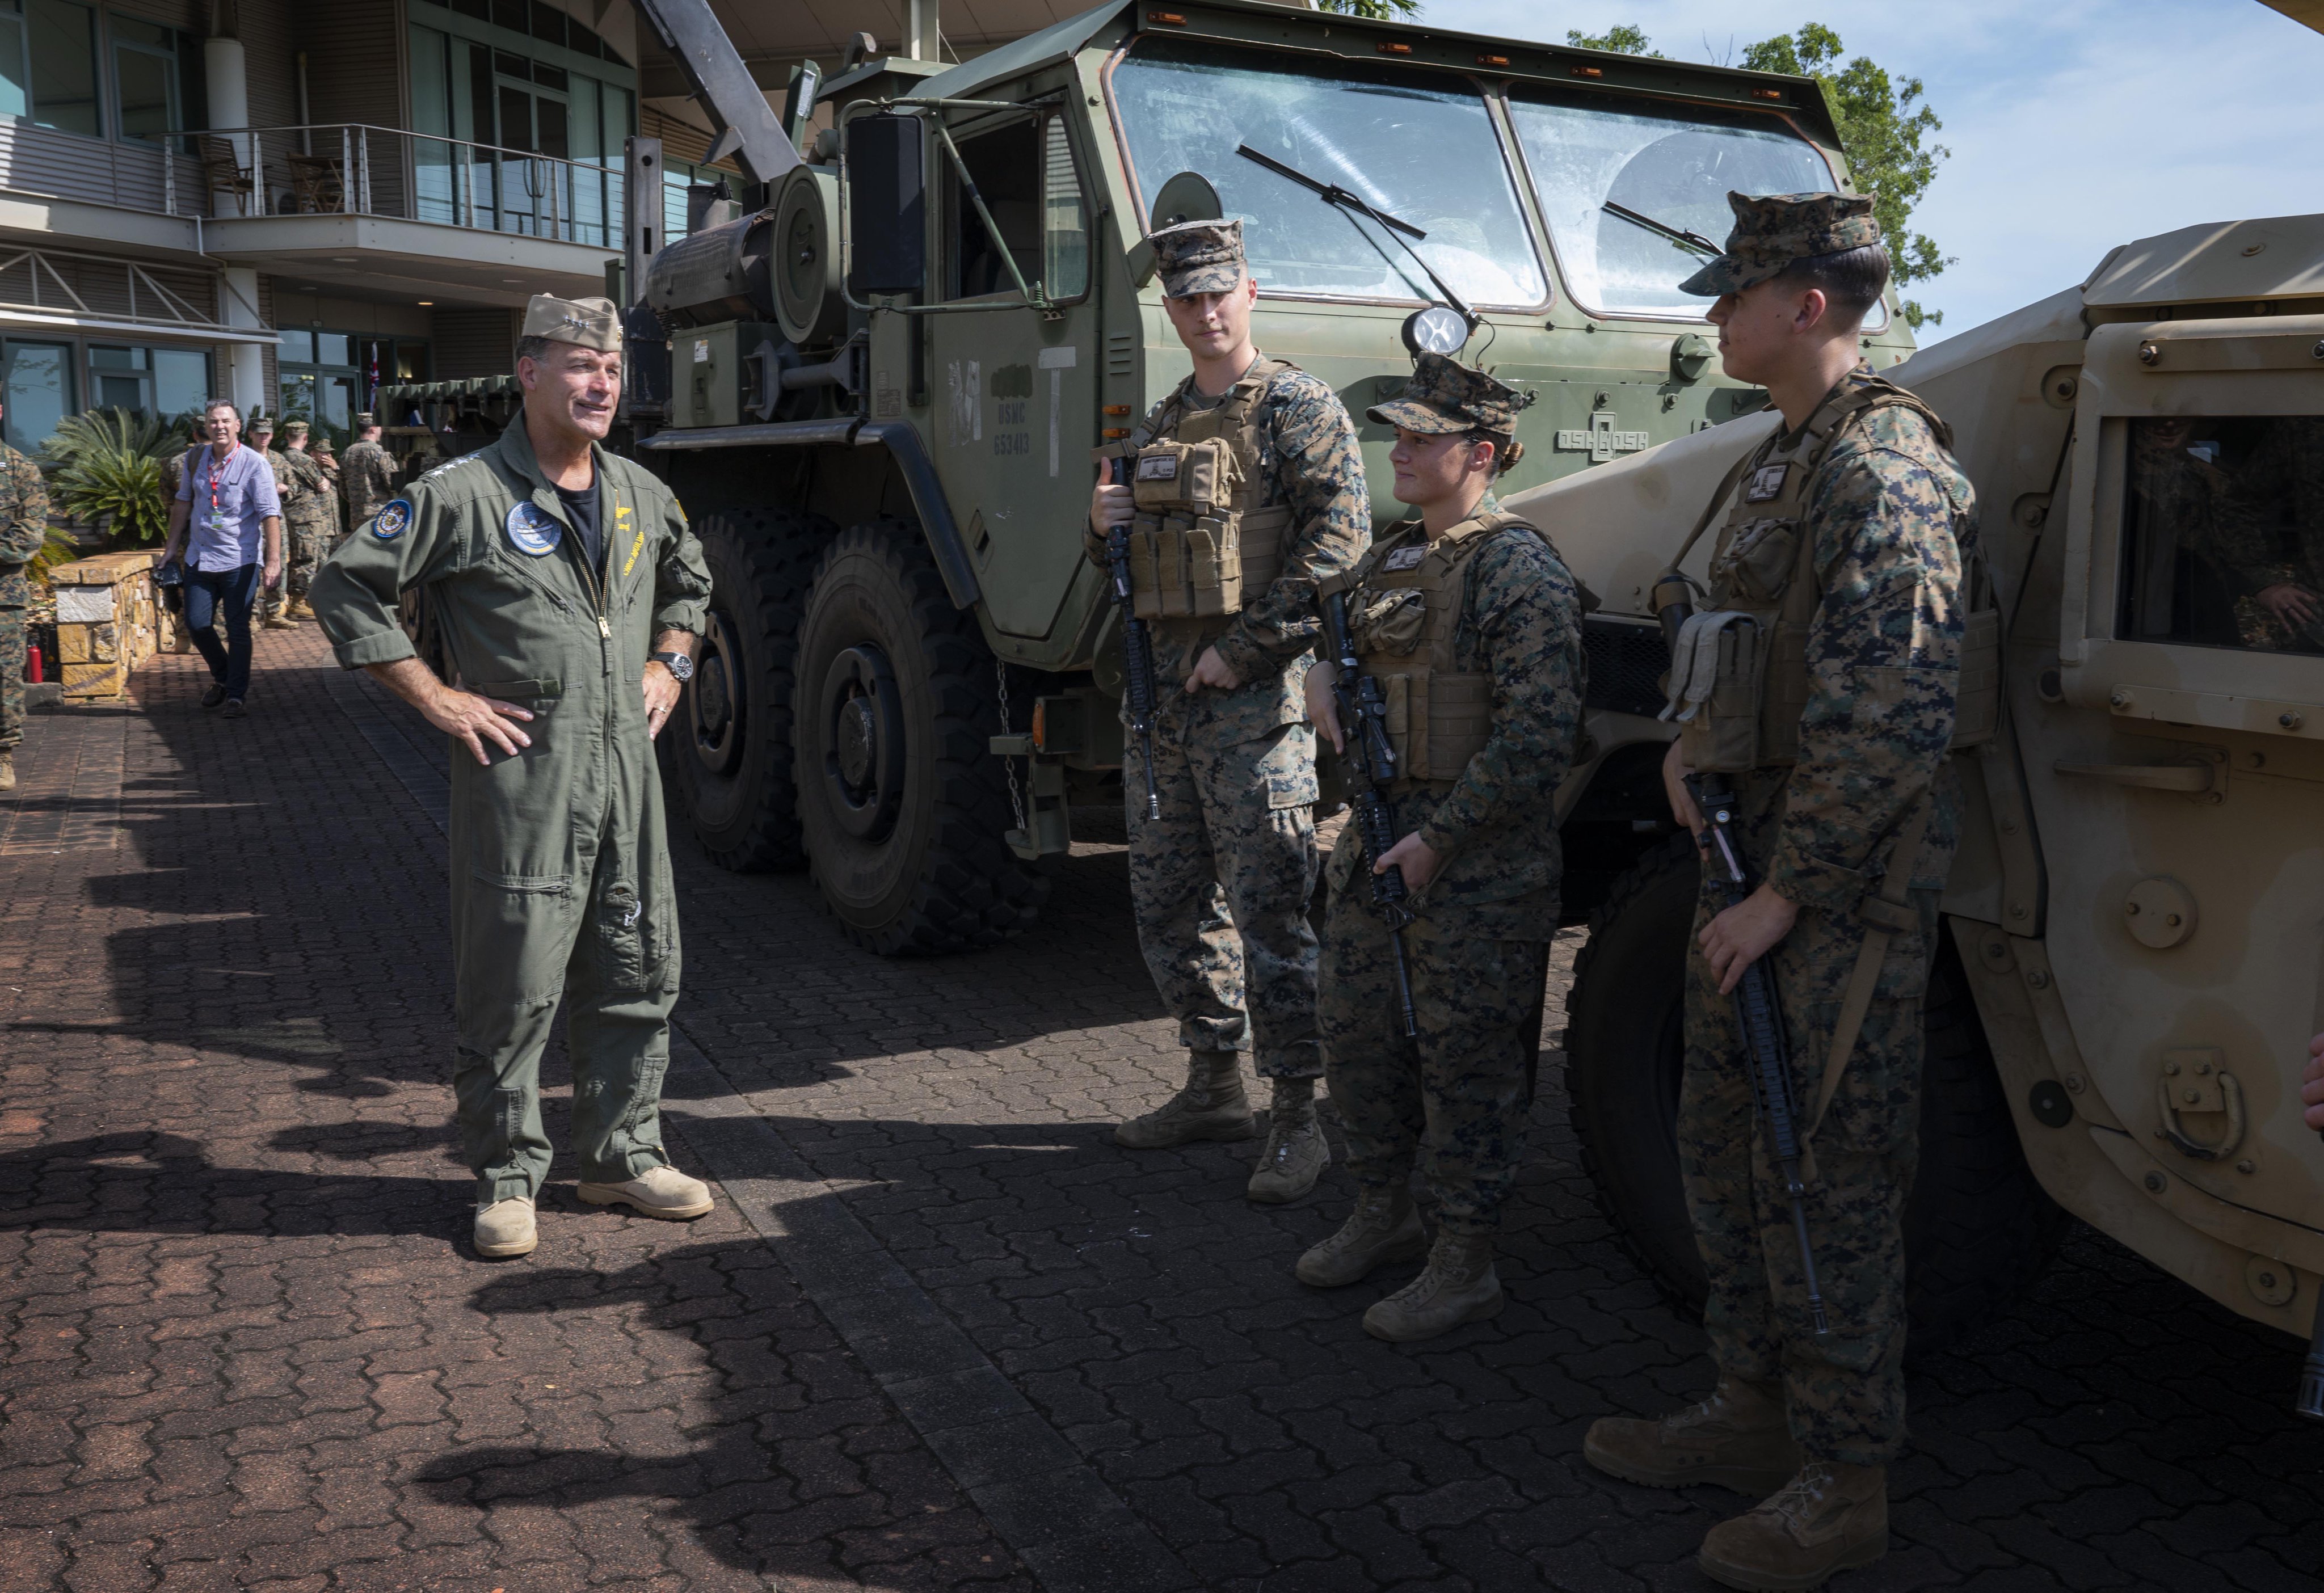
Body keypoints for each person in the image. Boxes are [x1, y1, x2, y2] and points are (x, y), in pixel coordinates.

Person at [1580, 192, 1979, 1593]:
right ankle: (1749, 1414)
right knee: (1730, 1162)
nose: (1715, 315)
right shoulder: (1782, 462)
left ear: (1808, 304)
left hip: (1828, 903)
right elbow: (1741, 646)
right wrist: (1694, 750)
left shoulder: (1884, 468)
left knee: (1826, 1185)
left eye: (1735, 293)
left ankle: (1843, 1482)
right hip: (1743, 869)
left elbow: (1894, 711)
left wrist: (1790, 893)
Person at [310, 293, 715, 1262]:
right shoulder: (462, 494)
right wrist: (435, 697)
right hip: (525, 785)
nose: (601, 383)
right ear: (528, 372)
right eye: (579, 365)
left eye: (610, 369)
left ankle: (621, 1154)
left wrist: (673, 664)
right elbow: (343, 582)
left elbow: (690, 583)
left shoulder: (640, 493)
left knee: (637, 968)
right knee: (515, 983)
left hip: (626, 778)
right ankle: (504, 1174)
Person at [1297, 355, 1584, 1341]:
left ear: (1487, 453)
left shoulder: (1517, 569)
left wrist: (1440, 839)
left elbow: (1539, 737)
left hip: (1473, 872)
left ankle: (1465, 1257)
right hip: (1380, 854)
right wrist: (1321, 681)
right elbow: (1339, 644)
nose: (1401, 447)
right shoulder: (1388, 560)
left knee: (1468, 1061)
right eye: (1399, 431)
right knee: (1360, 1036)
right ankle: (1384, 1207)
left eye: (1424, 434)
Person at [1086, 218, 1369, 1202]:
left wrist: (1241, 651)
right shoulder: (1161, 423)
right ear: (1169, 308)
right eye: (1187, 297)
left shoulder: (1297, 408)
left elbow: (1339, 553)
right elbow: (1139, 575)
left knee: (1273, 912)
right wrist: (1104, 532)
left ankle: (1298, 1112)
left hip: (1255, 710)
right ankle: (1213, 1082)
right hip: (1162, 706)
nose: (1205, 311)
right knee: (1168, 903)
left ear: (1251, 291)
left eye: (1220, 292)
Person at [159, 399, 284, 717]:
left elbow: (270, 514)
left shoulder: (255, 464)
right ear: (207, 426)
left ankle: (236, 696)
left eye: (226, 421)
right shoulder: (195, 458)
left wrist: (273, 560)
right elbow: (183, 501)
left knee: (238, 628)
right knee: (197, 623)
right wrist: (171, 547)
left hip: (240, 560)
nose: (220, 427)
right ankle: (226, 678)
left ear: (238, 426)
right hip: (200, 558)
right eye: (214, 422)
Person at [0, 396, 52, 792]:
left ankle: (3, 755)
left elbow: (28, 538)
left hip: (4, 598)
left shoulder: (20, 470)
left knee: (3, 680)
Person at [279, 420, 335, 622]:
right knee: (307, 558)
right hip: (306, 516)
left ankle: (300, 601)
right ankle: (298, 602)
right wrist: (326, 480)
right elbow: (320, 485)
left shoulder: (282, 457)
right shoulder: (302, 459)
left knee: (300, 557)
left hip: (294, 515)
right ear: (305, 438)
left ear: (287, 437)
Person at [246, 415, 296, 630]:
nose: (263, 437)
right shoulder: (244, 458)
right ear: (250, 434)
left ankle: (274, 611)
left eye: (267, 433)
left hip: (276, 522)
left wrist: (284, 489)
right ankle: (253, 613)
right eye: (259, 434)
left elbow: (294, 487)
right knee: (253, 566)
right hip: (251, 522)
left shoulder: (279, 460)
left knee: (278, 564)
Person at [339, 414, 398, 547]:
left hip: (357, 516)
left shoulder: (347, 453)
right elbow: (393, 483)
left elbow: (343, 488)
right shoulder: (378, 452)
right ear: (373, 429)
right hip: (380, 516)